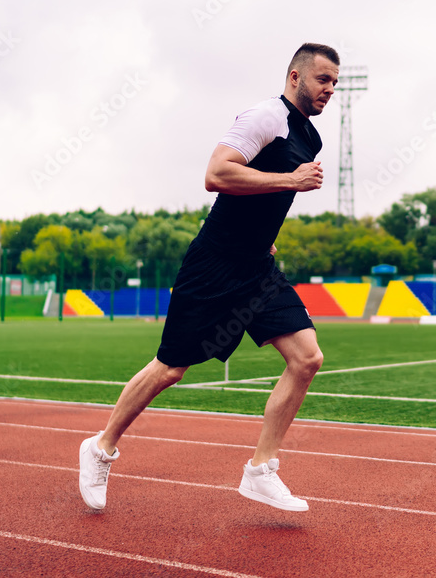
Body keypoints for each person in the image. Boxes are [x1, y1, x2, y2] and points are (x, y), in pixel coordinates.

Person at [79, 43, 340, 513]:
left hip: (256, 267)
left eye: (336, 83)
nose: (331, 91)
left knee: (307, 359)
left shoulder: (311, 138)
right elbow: (216, 173)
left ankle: (261, 471)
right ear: (296, 78)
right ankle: (101, 447)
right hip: (214, 264)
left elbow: (262, 201)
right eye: (324, 80)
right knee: (171, 368)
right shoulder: (264, 117)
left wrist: (265, 234)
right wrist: (290, 180)